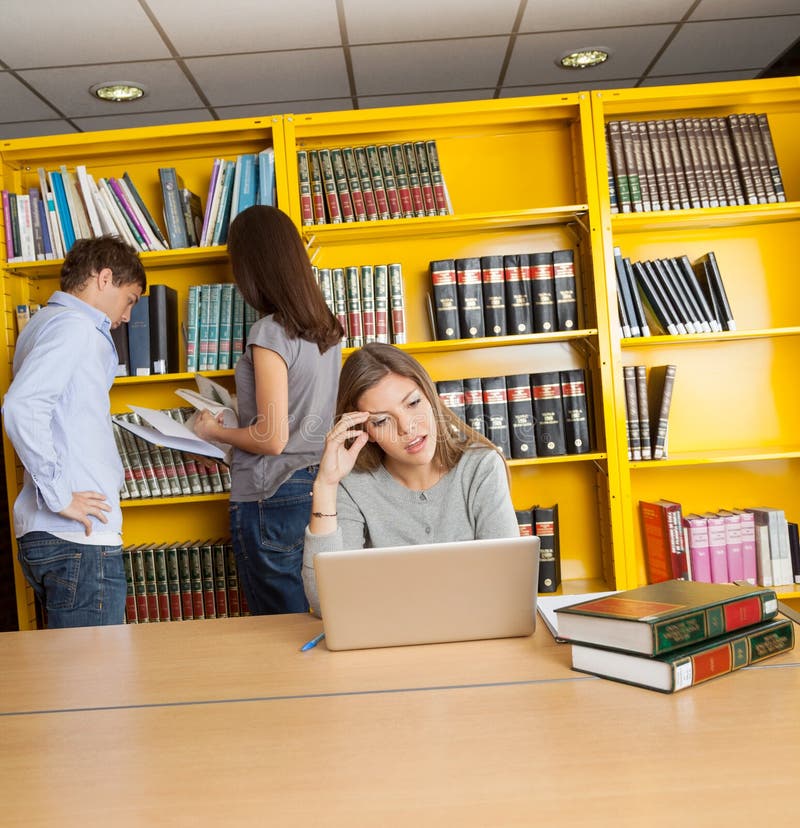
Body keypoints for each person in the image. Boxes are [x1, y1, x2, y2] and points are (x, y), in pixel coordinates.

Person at [193, 205, 343, 615]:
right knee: (320, 615)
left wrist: (212, 430)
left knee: (279, 629)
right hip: (319, 488)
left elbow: (271, 438)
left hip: (271, 494)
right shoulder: (328, 331)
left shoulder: (269, 332)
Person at [303, 342, 520, 615]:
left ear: (430, 396)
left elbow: (506, 585)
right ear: (364, 430)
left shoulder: (481, 467)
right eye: (382, 421)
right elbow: (326, 603)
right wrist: (326, 485)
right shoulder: (353, 484)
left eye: (413, 403)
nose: (407, 427)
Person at [3, 236, 146, 628]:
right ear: (104, 278)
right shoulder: (76, 328)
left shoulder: (42, 325)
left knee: (73, 679)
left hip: (56, 538)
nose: (128, 316)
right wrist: (60, 495)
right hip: (78, 541)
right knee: (96, 682)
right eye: (130, 299)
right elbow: (21, 406)